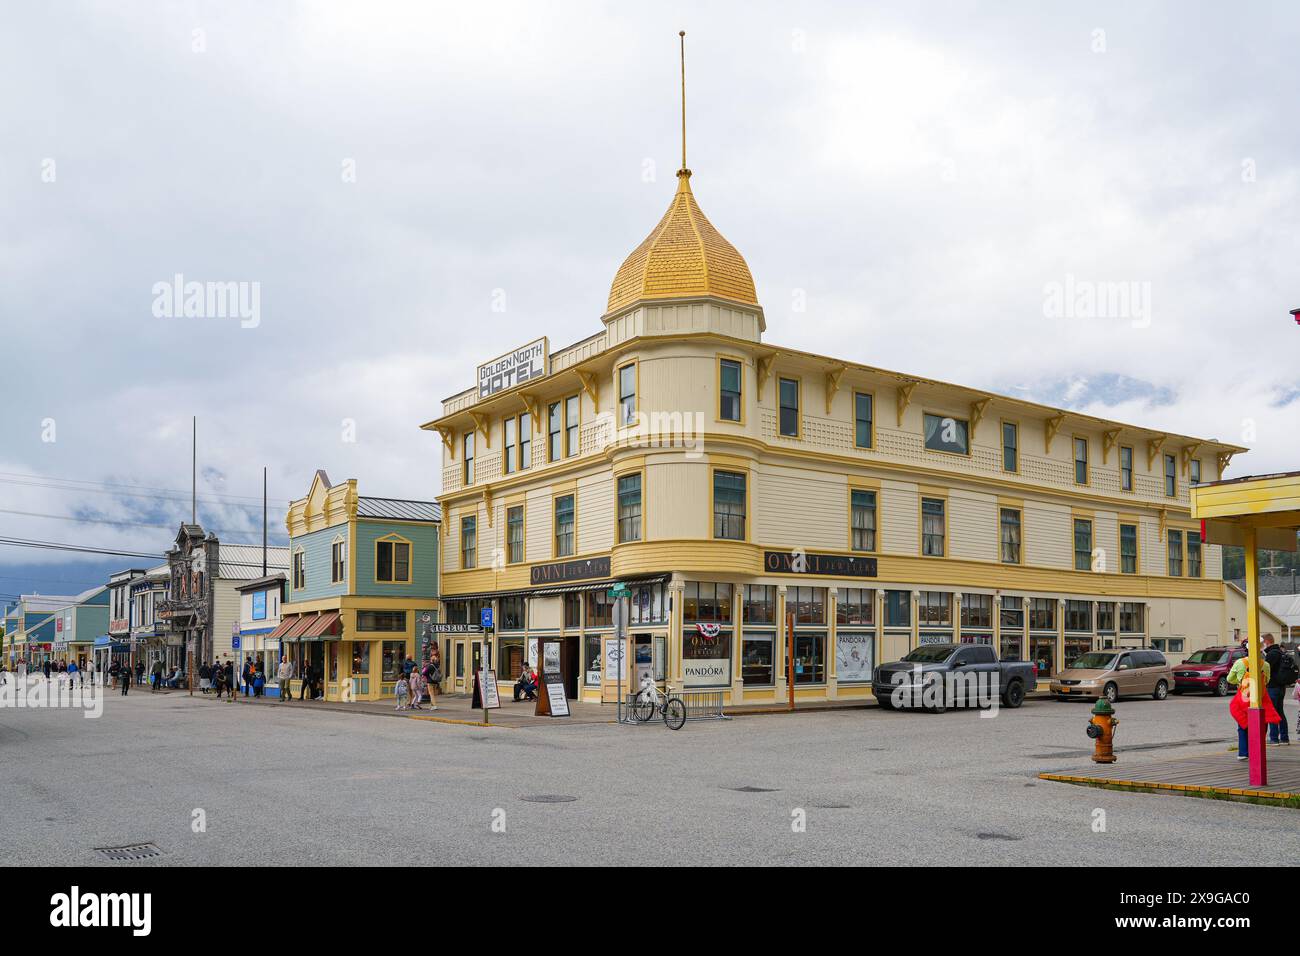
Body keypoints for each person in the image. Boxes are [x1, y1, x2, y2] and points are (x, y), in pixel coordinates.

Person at [1228, 645, 1273, 759]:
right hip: (1260, 698)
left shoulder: (1239, 663)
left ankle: (1243, 752)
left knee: (1243, 723)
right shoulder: (1265, 665)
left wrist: (1240, 681)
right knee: (1261, 725)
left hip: (1244, 697)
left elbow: (1229, 679)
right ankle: (1257, 751)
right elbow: (1267, 680)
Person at [1263, 635, 1294, 745]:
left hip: (1273, 687)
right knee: (1280, 712)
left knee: (1272, 713)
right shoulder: (1280, 652)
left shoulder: (1271, 654)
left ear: (1267, 641)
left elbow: (1264, 669)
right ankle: (1285, 738)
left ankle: (1274, 739)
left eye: (1263, 642)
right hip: (1281, 687)